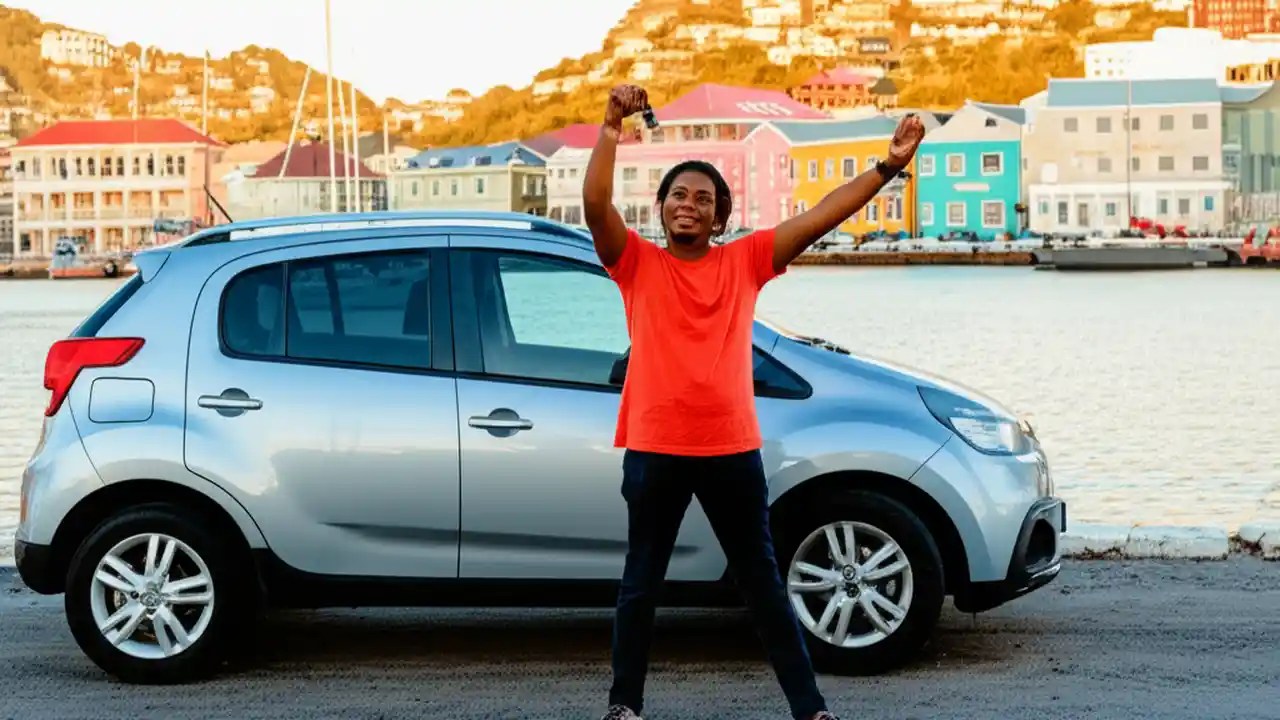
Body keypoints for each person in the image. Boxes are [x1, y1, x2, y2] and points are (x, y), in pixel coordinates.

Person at [585, 84, 925, 720]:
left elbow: (820, 217)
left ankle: (811, 710)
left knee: (764, 586)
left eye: (704, 199)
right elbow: (595, 205)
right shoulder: (635, 263)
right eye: (679, 195)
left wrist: (888, 166)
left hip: (730, 450)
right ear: (661, 208)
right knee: (640, 585)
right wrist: (610, 128)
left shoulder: (743, 261)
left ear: (720, 218)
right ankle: (624, 707)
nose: (689, 205)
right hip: (655, 449)